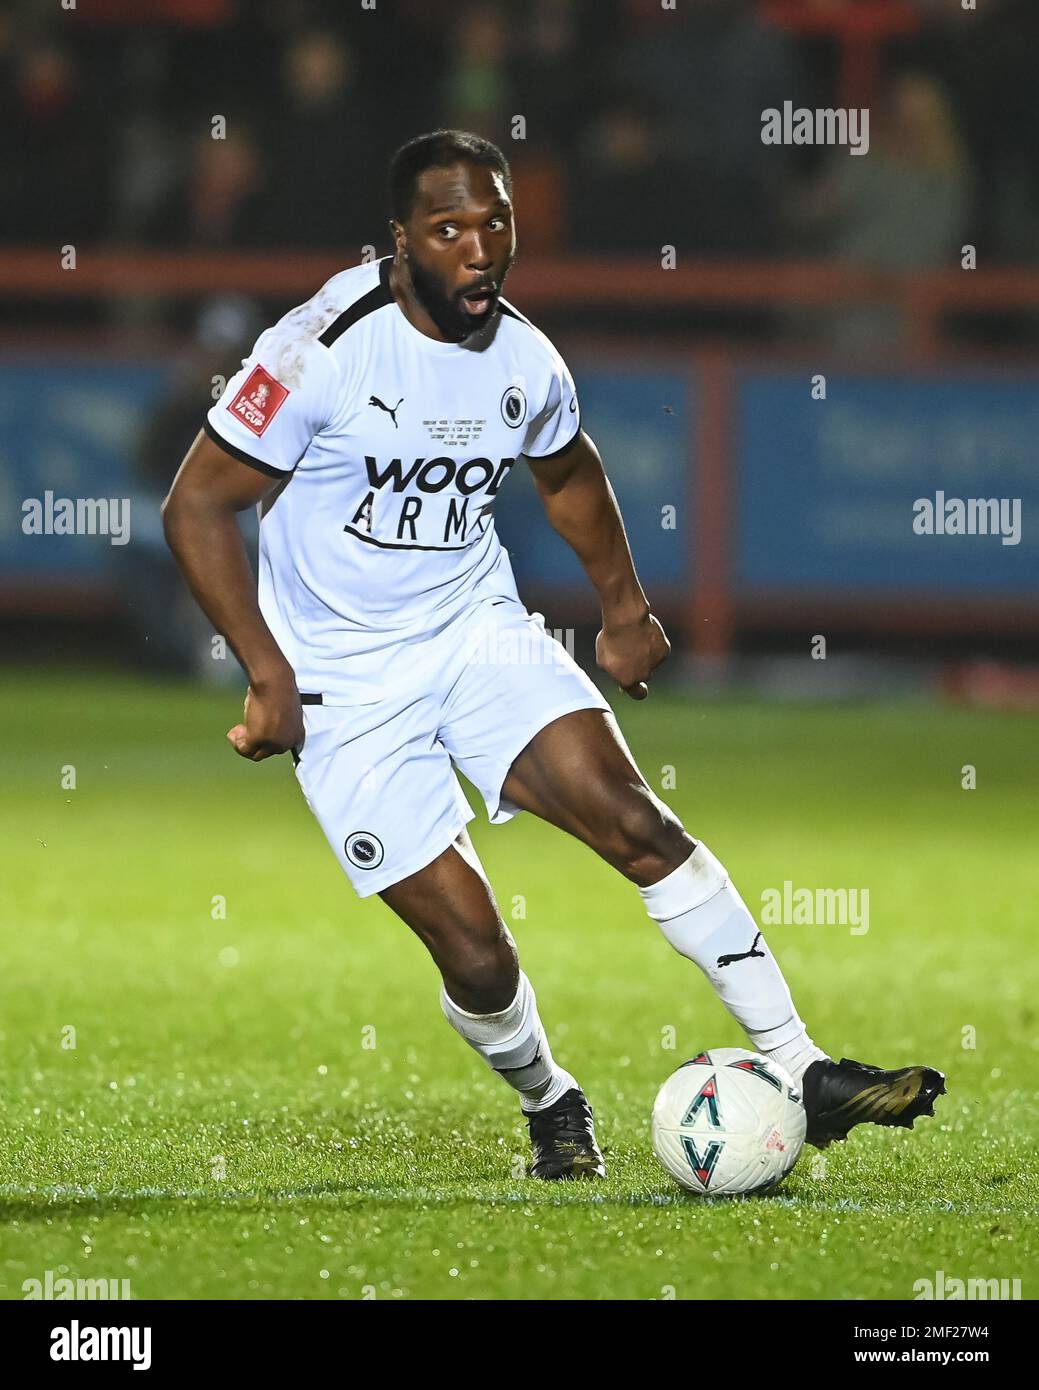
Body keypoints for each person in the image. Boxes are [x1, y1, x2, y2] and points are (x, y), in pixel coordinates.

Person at [161, 129, 944, 1181]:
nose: (478, 249)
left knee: (634, 819)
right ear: (399, 241)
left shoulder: (524, 357)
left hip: (475, 630)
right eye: (448, 230)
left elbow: (567, 470)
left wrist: (622, 609)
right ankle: (549, 1097)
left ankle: (800, 1066)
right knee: (477, 955)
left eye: (497, 224)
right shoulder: (319, 350)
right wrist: (265, 673)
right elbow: (198, 504)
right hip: (340, 683)